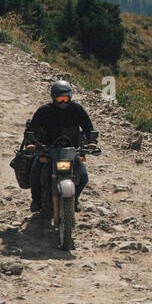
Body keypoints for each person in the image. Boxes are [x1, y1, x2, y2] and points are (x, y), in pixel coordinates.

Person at [25, 81, 96, 213]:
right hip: (47, 150)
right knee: (34, 172)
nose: (63, 102)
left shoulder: (77, 109)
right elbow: (33, 129)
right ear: (53, 97)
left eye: (66, 98)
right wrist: (30, 143)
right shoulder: (44, 111)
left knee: (83, 176)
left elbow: (88, 127)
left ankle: (75, 200)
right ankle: (36, 200)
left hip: (71, 150)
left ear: (70, 97)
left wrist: (92, 142)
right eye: (59, 99)